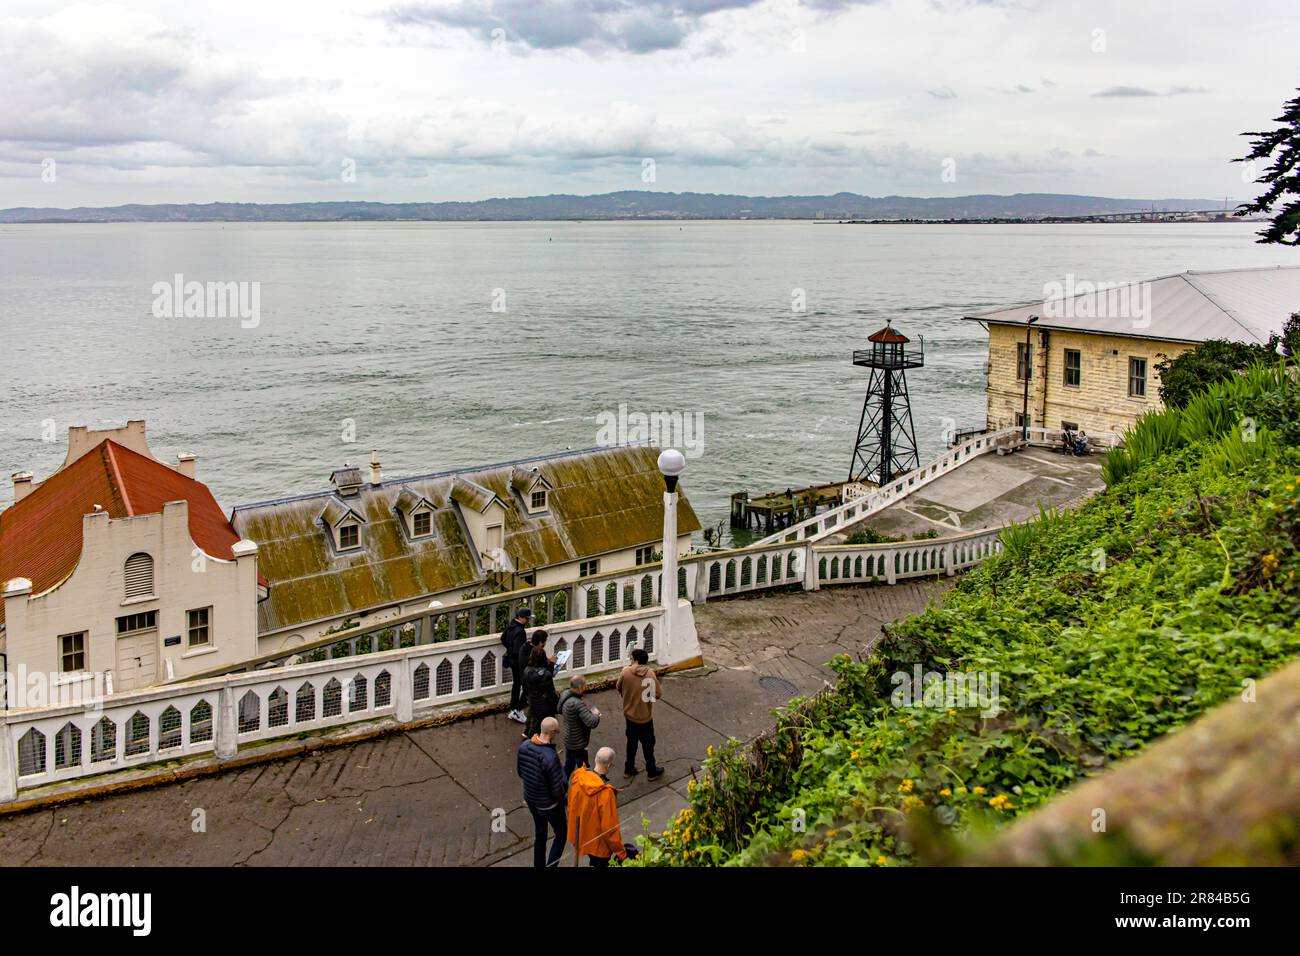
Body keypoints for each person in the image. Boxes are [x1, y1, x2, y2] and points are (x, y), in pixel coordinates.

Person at [567, 747, 637, 867]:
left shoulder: (578, 777)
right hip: (598, 845)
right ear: (609, 765)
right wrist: (622, 853)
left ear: (595, 759)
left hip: (582, 835)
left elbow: (571, 806)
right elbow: (609, 828)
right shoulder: (605, 793)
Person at [517, 716, 567, 868]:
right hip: (549, 805)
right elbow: (557, 790)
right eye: (556, 732)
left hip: (531, 799)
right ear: (551, 732)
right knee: (561, 834)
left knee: (540, 833)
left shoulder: (524, 746)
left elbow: (520, 772)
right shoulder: (551, 758)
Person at [615, 647, 664, 779]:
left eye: (631, 659)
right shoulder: (650, 674)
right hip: (645, 718)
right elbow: (658, 694)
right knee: (648, 746)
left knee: (631, 743)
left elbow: (618, 687)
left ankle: (628, 769)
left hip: (630, 716)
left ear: (636, 660)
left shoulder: (625, 672)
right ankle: (651, 771)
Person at [558, 675, 601, 779]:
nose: (585, 688)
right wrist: (596, 714)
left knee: (568, 766)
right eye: (584, 686)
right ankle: (588, 789)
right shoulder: (577, 704)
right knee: (585, 768)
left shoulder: (565, 695)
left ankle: (561, 787)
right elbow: (592, 722)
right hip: (578, 743)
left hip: (569, 739)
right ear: (580, 687)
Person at [500, 607, 531, 723]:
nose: (528, 621)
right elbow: (519, 650)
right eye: (527, 619)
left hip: (511, 660)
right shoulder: (520, 631)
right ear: (521, 618)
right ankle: (517, 709)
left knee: (516, 684)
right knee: (525, 684)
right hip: (518, 662)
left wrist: (509, 647)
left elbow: (502, 638)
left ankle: (513, 707)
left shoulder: (510, 626)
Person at [523, 640, 559, 736]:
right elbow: (550, 691)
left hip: (532, 699)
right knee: (543, 725)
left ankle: (528, 734)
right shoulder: (545, 674)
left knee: (534, 720)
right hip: (544, 703)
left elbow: (525, 687)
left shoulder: (526, 670)